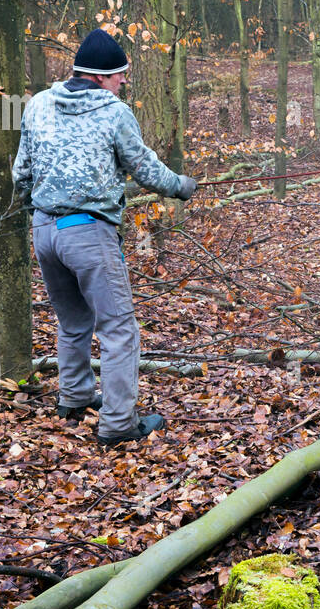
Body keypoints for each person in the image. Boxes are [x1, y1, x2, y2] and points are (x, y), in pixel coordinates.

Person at [13, 28, 197, 445]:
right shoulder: (114, 112)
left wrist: (39, 213)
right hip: (88, 234)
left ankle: (75, 399)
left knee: (73, 322)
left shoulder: (38, 104)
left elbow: (20, 174)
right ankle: (117, 425)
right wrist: (181, 186)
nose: (123, 82)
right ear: (99, 77)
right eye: (119, 76)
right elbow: (146, 169)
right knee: (118, 330)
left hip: (45, 232)